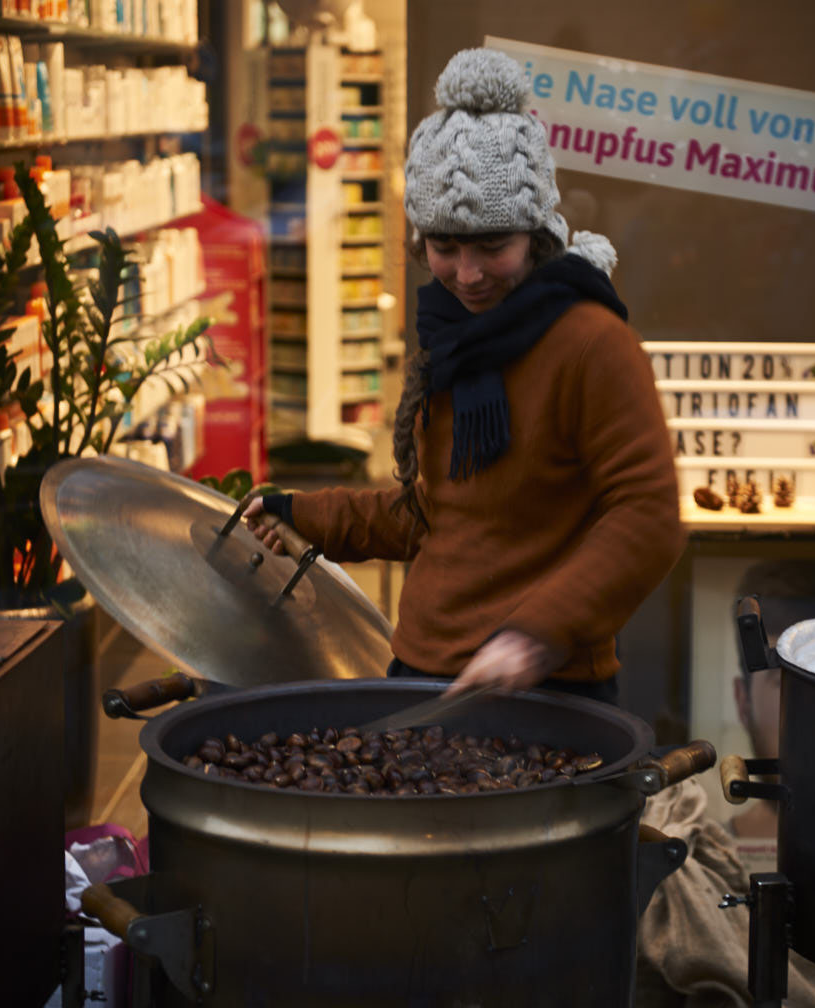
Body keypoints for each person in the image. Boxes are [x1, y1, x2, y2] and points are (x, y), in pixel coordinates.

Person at [246, 47, 683, 704]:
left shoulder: (592, 344)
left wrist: (534, 636)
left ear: (536, 236)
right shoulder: (453, 341)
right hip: (423, 672)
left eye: (492, 246)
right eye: (444, 248)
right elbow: (442, 515)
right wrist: (305, 514)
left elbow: (649, 517)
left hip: (546, 692)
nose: (468, 274)